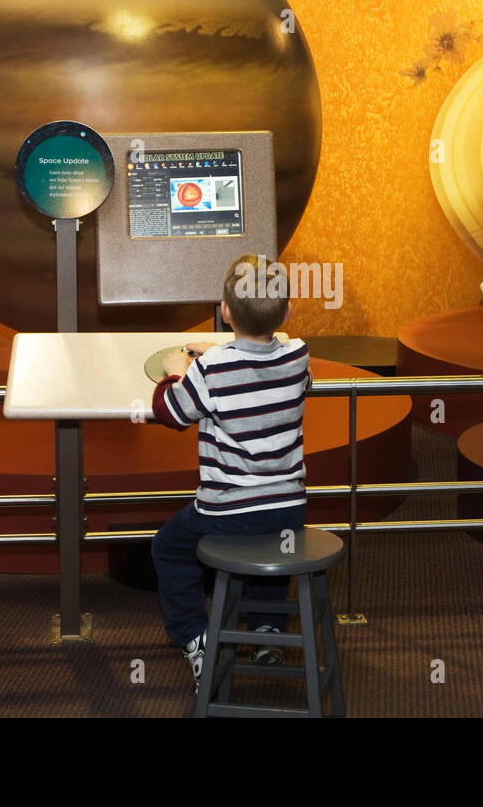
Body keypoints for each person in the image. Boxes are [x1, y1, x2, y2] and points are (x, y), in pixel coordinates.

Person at [150, 254, 311, 690]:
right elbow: (265, 364)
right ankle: (266, 631)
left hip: (226, 510)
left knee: (167, 548)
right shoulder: (298, 355)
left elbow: (172, 412)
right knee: (273, 549)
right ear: (288, 312)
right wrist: (225, 353)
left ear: (223, 311)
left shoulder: (211, 369)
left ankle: (194, 638)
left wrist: (176, 374)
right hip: (288, 509)